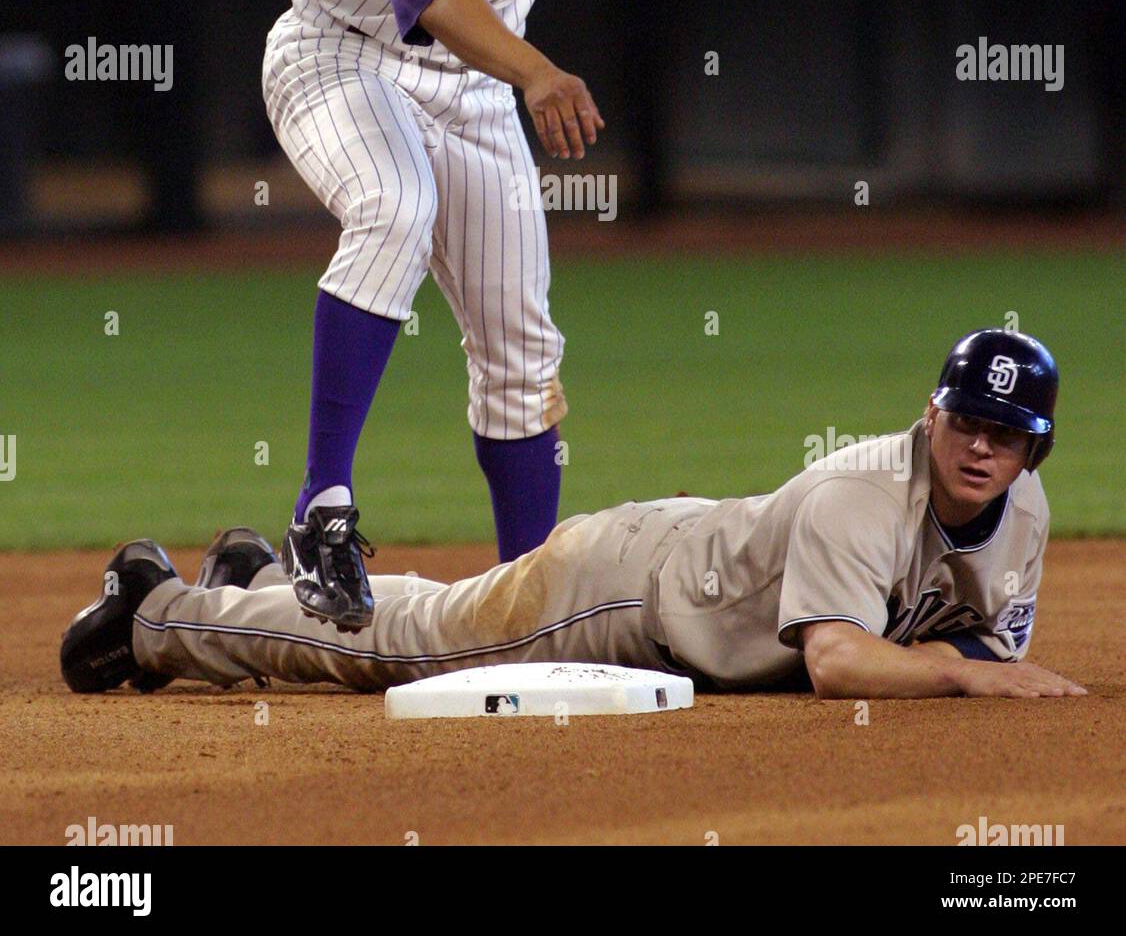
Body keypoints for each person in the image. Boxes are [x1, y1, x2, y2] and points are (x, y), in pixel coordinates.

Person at [60, 330, 1085, 700]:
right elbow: (841, 662)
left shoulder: (1022, 509)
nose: (982, 444)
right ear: (931, 415)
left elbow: (984, 639)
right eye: (966, 419)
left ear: (1031, 445)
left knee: (440, 611)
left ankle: (261, 585)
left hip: (696, 559)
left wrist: (975, 665)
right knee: (414, 648)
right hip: (630, 591)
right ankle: (158, 617)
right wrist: (960, 674)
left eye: (1007, 430)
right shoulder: (861, 496)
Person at [260, 0, 612, 631]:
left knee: (521, 347)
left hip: (470, 84)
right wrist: (537, 69)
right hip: (343, 54)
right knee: (394, 207)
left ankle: (528, 596)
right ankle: (321, 505)